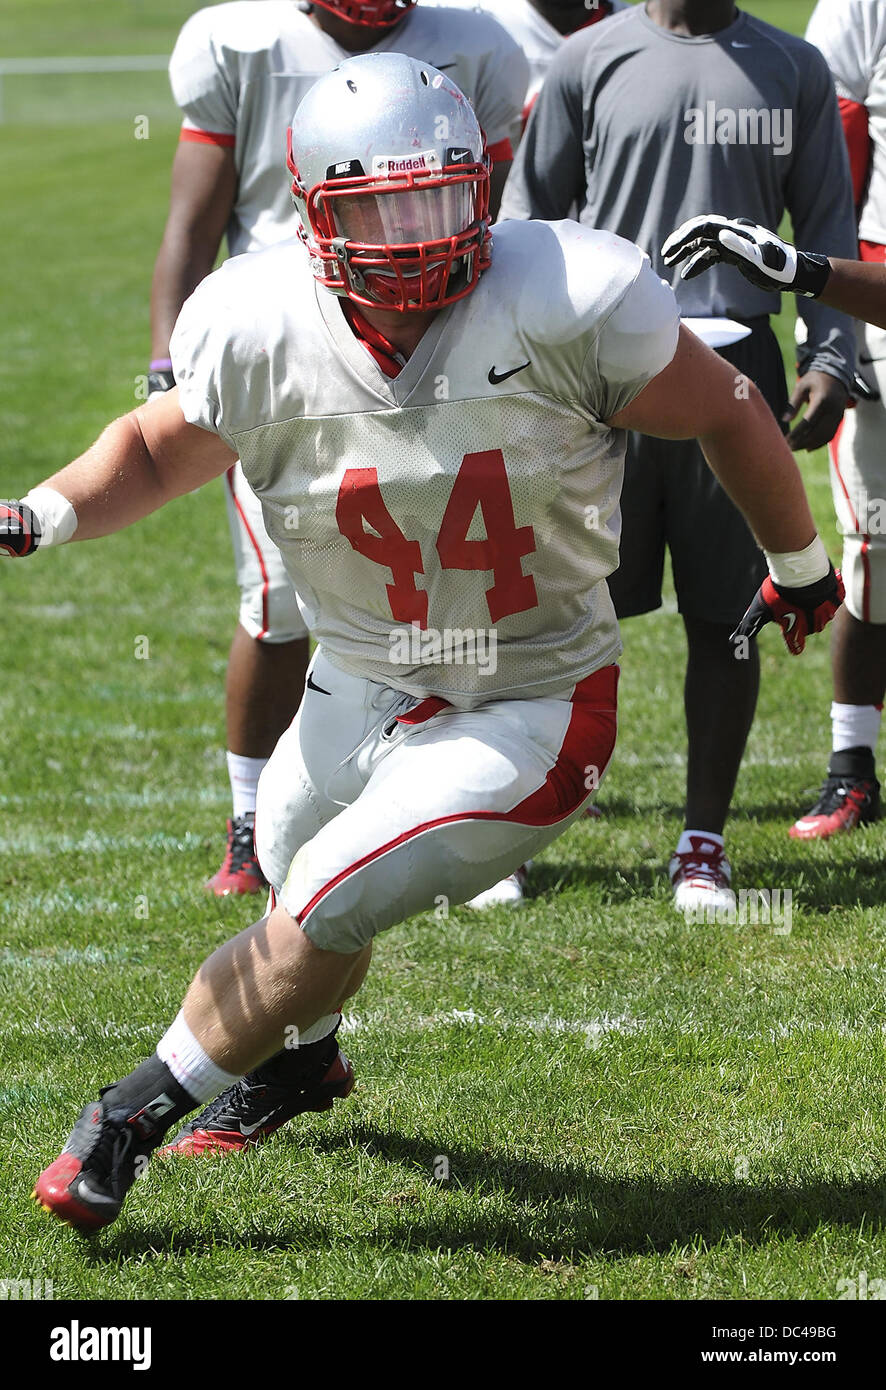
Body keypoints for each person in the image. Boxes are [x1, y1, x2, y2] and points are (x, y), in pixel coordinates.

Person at [6, 55, 840, 1229]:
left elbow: (724, 405)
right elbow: (153, 448)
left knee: (321, 896)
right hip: (357, 679)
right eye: (378, 210)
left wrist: (802, 565)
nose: (412, 237)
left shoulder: (564, 294)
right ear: (312, 215)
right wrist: (37, 514)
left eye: (439, 200)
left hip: (532, 699)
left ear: (482, 185)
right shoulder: (258, 321)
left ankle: (127, 1113)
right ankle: (302, 1063)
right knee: (303, 862)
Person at [149, 0, 528, 897]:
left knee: (453, 580)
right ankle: (251, 822)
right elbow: (193, 220)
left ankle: (456, 802)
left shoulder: (476, 44)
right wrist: (170, 362)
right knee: (278, 598)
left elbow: (491, 216)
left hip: (432, 342)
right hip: (288, 355)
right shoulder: (238, 40)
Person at [500, 0, 858, 913]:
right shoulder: (588, 60)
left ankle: (703, 841)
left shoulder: (793, 67)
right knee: (549, 615)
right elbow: (527, 219)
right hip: (601, 368)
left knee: (728, 613)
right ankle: (510, 833)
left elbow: (824, 222)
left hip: (736, 368)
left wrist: (828, 354)